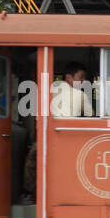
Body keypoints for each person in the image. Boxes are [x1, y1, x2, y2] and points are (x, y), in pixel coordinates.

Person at [19, 62, 90, 204]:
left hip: (48, 135)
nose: (83, 82)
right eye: (81, 77)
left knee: (33, 160)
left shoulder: (50, 89)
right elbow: (91, 116)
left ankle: (28, 194)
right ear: (68, 77)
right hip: (68, 137)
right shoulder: (81, 95)